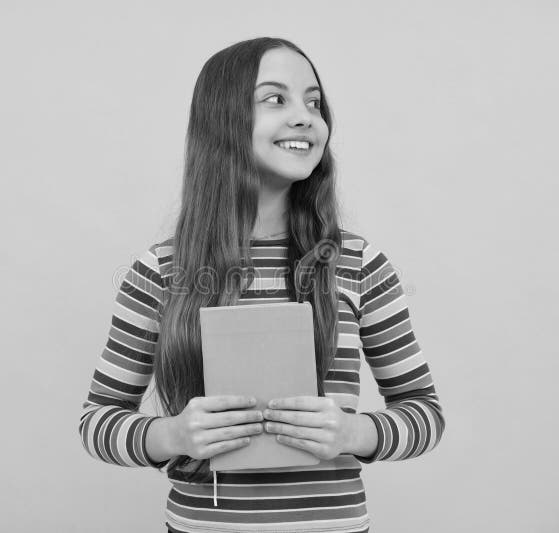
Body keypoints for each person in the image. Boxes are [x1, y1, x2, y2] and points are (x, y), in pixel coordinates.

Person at [78, 36, 445, 533]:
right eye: (276, 99)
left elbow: (426, 414)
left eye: (314, 103)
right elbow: (97, 422)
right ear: (223, 120)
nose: (305, 118)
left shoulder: (359, 263)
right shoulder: (161, 271)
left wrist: (354, 432)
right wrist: (173, 436)